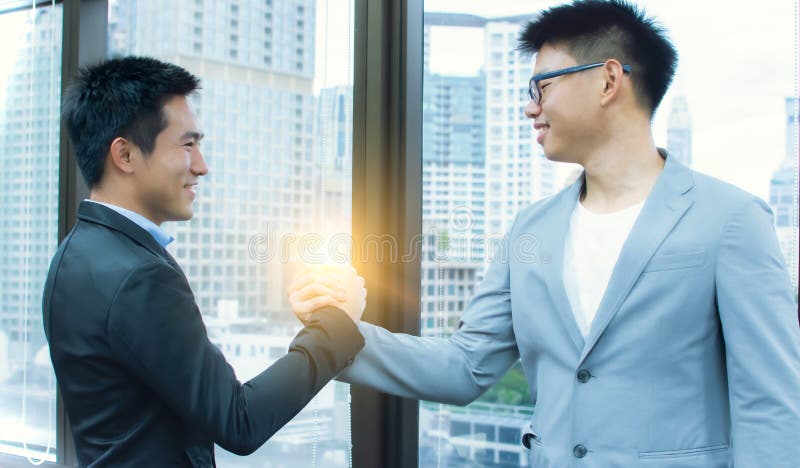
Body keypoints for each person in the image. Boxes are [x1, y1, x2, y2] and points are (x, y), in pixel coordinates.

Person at [288, 1, 800, 466]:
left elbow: (771, 406)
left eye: (542, 87)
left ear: (607, 80)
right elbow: (466, 365)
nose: (530, 107)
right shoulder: (529, 229)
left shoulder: (732, 219)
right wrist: (339, 330)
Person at [43, 56, 367, 467]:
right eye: (187, 144)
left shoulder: (74, 253)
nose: (202, 165)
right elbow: (239, 420)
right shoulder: (140, 277)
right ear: (124, 155)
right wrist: (337, 324)